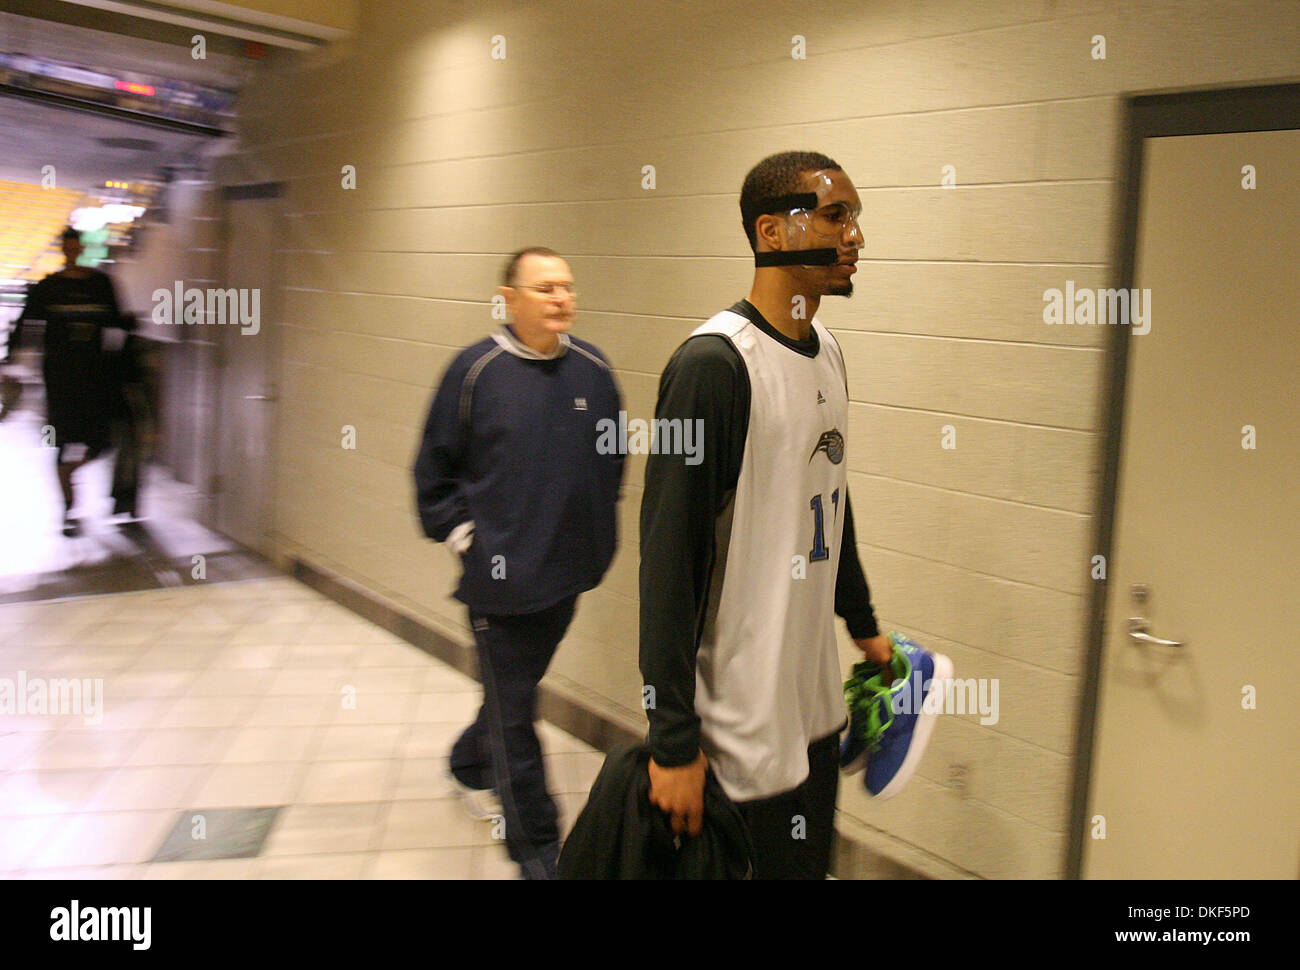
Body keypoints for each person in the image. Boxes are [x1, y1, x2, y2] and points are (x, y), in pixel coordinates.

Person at [638, 151, 897, 879]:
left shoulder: (829, 352)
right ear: (772, 232)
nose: (855, 236)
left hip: (810, 710)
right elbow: (667, 564)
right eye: (835, 215)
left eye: (855, 218)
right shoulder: (714, 366)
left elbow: (829, 498)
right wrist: (671, 742)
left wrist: (864, 624)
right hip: (735, 729)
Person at [413, 247, 624, 879]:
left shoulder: (593, 369)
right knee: (516, 717)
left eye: (567, 286)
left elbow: (612, 458)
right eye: (545, 288)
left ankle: (467, 763)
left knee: (512, 694)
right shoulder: (474, 371)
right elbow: (434, 469)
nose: (561, 298)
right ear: (508, 299)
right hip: (498, 582)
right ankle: (538, 851)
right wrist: (467, 539)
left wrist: (595, 532)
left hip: (568, 573)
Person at [5, 227, 134, 536]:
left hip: (95, 379)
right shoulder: (47, 287)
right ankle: (67, 508)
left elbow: (118, 322)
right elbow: (25, 327)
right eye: (68, 247)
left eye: (75, 247)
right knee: (60, 442)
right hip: (59, 381)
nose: (72, 252)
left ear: (81, 248)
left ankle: (69, 475)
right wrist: (10, 362)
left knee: (102, 442)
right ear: (62, 250)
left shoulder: (101, 284)